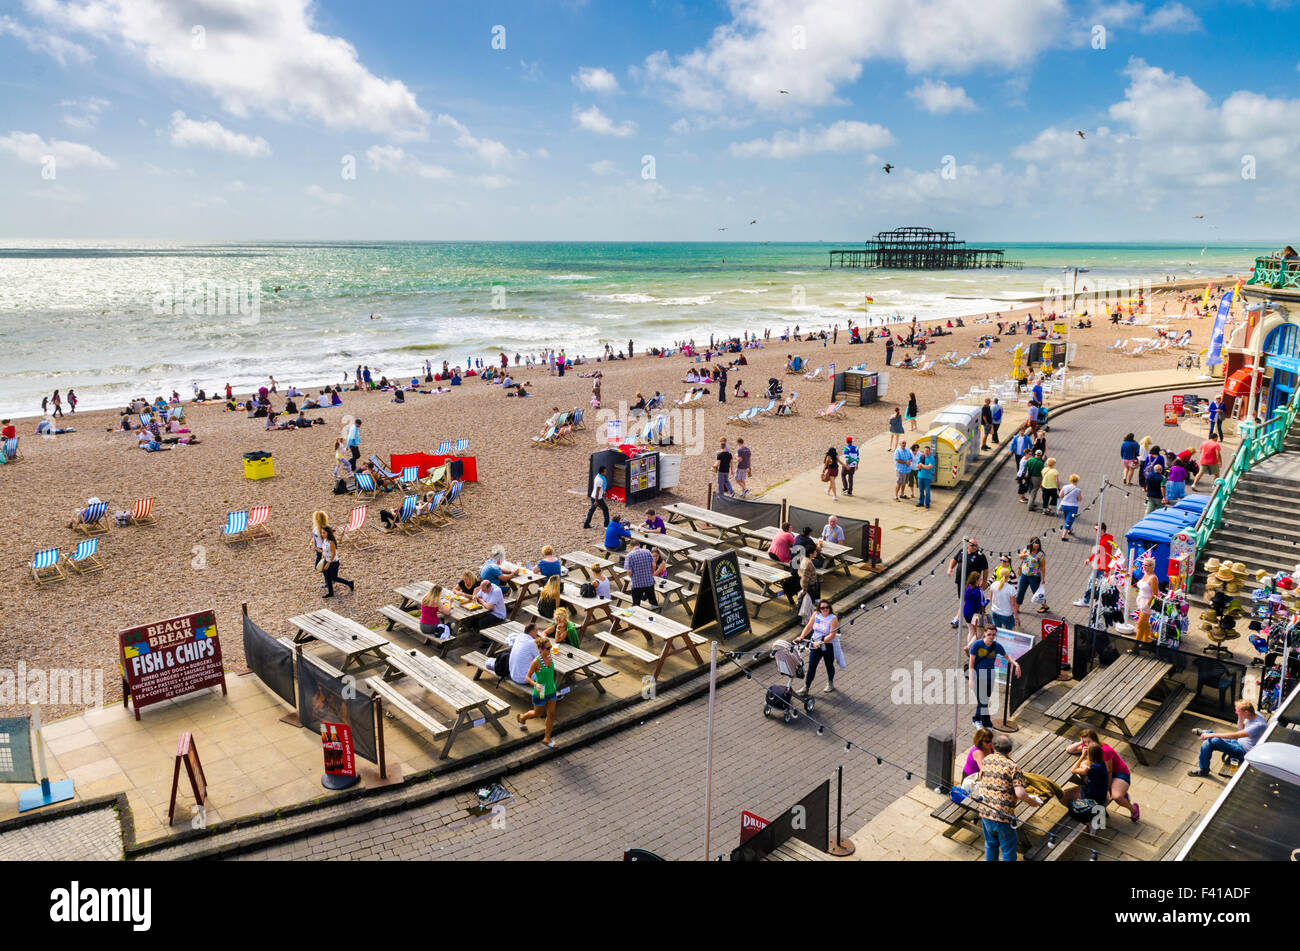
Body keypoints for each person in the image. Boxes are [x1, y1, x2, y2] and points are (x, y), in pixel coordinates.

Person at [974, 734, 1043, 861]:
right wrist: (1031, 801)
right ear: (1010, 750)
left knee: (990, 844)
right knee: (1008, 851)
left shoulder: (987, 759)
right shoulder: (1013, 767)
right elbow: (1020, 794)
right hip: (1002, 816)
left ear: (994, 747)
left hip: (985, 811)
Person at [1066, 729, 1139, 820]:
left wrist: (1107, 789)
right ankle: (1121, 792)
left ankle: (1134, 809)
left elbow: (1109, 771)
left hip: (1119, 773)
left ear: (1095, 739)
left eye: (1089, 741)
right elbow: (1069, 750)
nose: (1086, 744)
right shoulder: (1089, 746)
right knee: (1088, 781)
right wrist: (1081, 742)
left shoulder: (1104, 750)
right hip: (1104, 773)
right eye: (1085, 742)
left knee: (1117, 797)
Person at [1189, 700, 1268, 777]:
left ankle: (1207, 733)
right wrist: (1240, 717)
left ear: (1246, 712)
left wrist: (1212, 735)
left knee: (1214, 740)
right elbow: (1241, 729)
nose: (1235, 712)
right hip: (1237, 741)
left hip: (1242, 751)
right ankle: (1203, 769)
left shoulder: (1257, 725)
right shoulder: (1253, 714)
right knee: (1207, 743)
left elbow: (1235, 735)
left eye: (1238, 711)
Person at [516, 636, 559, 748]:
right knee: (537, 714)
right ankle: (522, 718)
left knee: (551, 714)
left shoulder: (550, 656)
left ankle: (547, 738)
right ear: (541, 649)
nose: (550, 650)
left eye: (550, 647)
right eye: (548, 648)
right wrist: (536, 684)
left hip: (551, 688)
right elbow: (528, 677)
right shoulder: (536, 662)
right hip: (541, 690)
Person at [793, 600, 839, 695]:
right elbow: (809, 626)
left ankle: (830, 682)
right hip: (815, 645)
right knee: (812, 666)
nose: (825, 609)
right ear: (819, 609)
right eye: (823, 608)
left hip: (827, 645)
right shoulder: (816, 614)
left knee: (829, 665)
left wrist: (821, 642)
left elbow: (832, 635)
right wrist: (801, 637)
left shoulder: (833, 618)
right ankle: (806, 687)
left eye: (827, 607)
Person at [948, 539, 989, 628]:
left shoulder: (980, 556)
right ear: (967, 545)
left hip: (971, 583)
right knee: (963, 600)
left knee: (965, 600)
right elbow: (954, 560)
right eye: (972, 545)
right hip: (960, 581)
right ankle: (974, 618)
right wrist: (950, 568)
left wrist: (984, 582)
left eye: (976, 545)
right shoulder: (962, 551)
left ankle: (957, 619)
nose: (974, 547)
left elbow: (986, 570)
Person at [1075, 524, 1114, 608]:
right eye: (1095, 529)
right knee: (1093, 583)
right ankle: (1092, 600)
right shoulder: (1104, 539)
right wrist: (1090, 559)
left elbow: (1108, 555)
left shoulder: (1105, 541)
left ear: (1102, 530)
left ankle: (1086, 600)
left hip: (1101, 567)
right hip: (1099, 565)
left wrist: (1107, 569)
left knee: (1092, 584)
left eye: (1096, 529)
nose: (1095, 531)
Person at [318, 526, 354, 599]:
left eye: (324, 533)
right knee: (328, 577)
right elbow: (327, 551)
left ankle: (349, 583)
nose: (322, 534)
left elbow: (333, 553)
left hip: (333, 562)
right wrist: (321, 551)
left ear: (328, 533)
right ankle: (330, 593)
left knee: (334, 578)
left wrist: (328, 563)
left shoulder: (331, 542)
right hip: (326, 560)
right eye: (321, 533)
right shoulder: (325, 540)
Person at [1017, 537, 1048, 614]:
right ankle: (1017, 607)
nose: (1036, 546)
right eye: (1035, 544)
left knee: (1036, 592)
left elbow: (1043, 566)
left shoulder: (1040, 554)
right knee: (1021, 591)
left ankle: (1045, 605)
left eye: (1038, 544)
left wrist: (1043, 578)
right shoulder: (1027, 549)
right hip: (1024, 574)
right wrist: (1023, 555)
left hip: (1034, 576)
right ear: (1031, 544)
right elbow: (1020, 556)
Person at [625, 540, 658, 608]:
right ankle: (657, 613)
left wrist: (632, 578)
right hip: (649, 581)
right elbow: (654, 565)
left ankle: (637, 616)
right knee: (653, 600)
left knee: (636, 603)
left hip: (637, 583)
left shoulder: (629, 556)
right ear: (639, 545)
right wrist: (651, 573)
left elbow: (629, 571)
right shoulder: (647, 551)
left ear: (631, 547)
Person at [961, 728, 996, 792]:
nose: (990, 743)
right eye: (987, 741)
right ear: (980, 741)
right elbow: (984, 770)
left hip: (979, 776)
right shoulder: (978, 752)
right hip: (971, 778)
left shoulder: (989, 746)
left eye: (991, 740)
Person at [1134, 557, 1159, 642]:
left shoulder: (1153, 578)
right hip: (1141, 601)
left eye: (1146, 565)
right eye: (1143, 564)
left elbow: (1154, 594)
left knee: (1140, 625)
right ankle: (1146, 642)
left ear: (1152, 567)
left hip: (1147, 603)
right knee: (1145, 625)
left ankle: (1135, 647)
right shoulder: (1145, 574)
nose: (1143, 566)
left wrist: (1147, 605)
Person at [1059, 474, 1082, 538]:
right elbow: (1079, 499)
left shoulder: (1064, 487)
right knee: (1069, 520)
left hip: (1064, 505)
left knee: (1067, 518)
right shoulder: (1077, 490)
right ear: (1077, 481)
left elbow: (1060, 495)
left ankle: (1069, 529)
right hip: (1073, 507)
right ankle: (1063, 536)